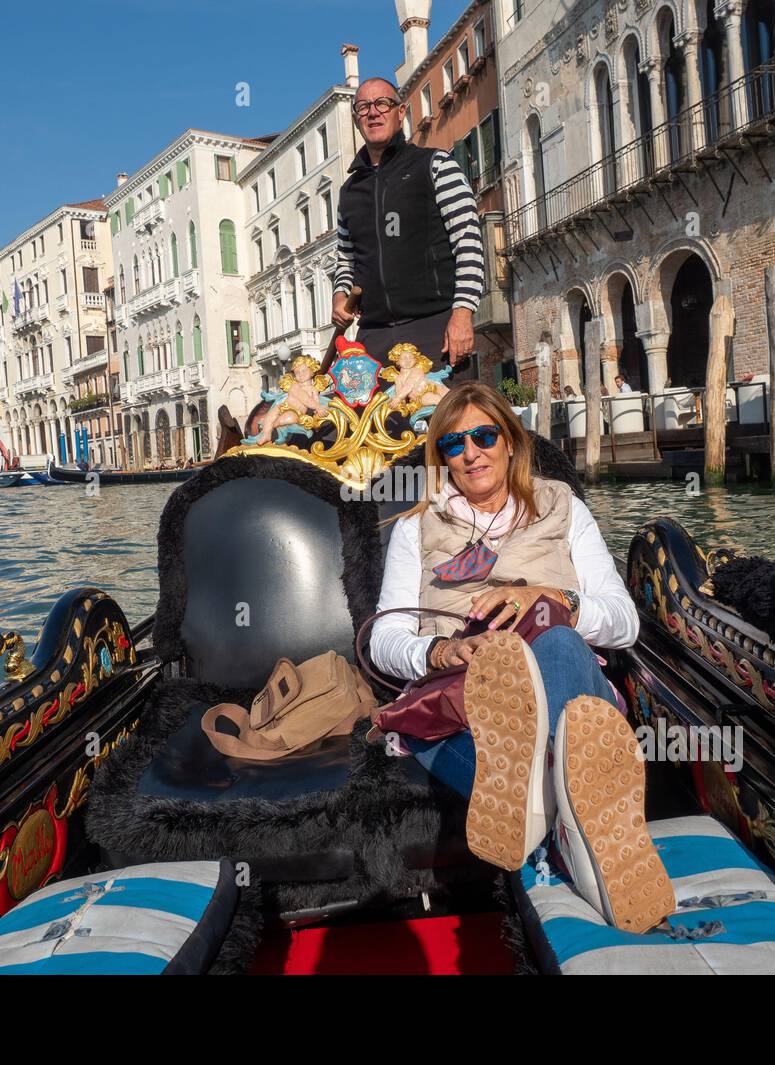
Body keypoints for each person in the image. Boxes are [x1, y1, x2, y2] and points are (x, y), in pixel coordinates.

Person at [368, 381, 675, 933]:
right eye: (454, 444)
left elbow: (624, 623)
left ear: (510, 441)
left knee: (555, 641)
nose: (472, 452)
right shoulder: (417, 526)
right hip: (462, 693)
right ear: (442, 458)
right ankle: (578, 835)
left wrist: (551, 599)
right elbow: (383, 641)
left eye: (485, 435)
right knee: (440, 723)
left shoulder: (563, 507)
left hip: (561, 673)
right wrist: (442, 650)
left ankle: (550, 824)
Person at [332, 77, 484, 374]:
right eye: (363, 107)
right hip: (372, 339)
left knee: (446, 421)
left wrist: (463, 313)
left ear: (400, 112)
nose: (373, 113)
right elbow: (346, 261)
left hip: (435, 329)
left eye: (382, 104)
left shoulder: (436, 165)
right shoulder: (348, 192)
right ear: (355, 119)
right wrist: (340, 295)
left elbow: (468, 243)